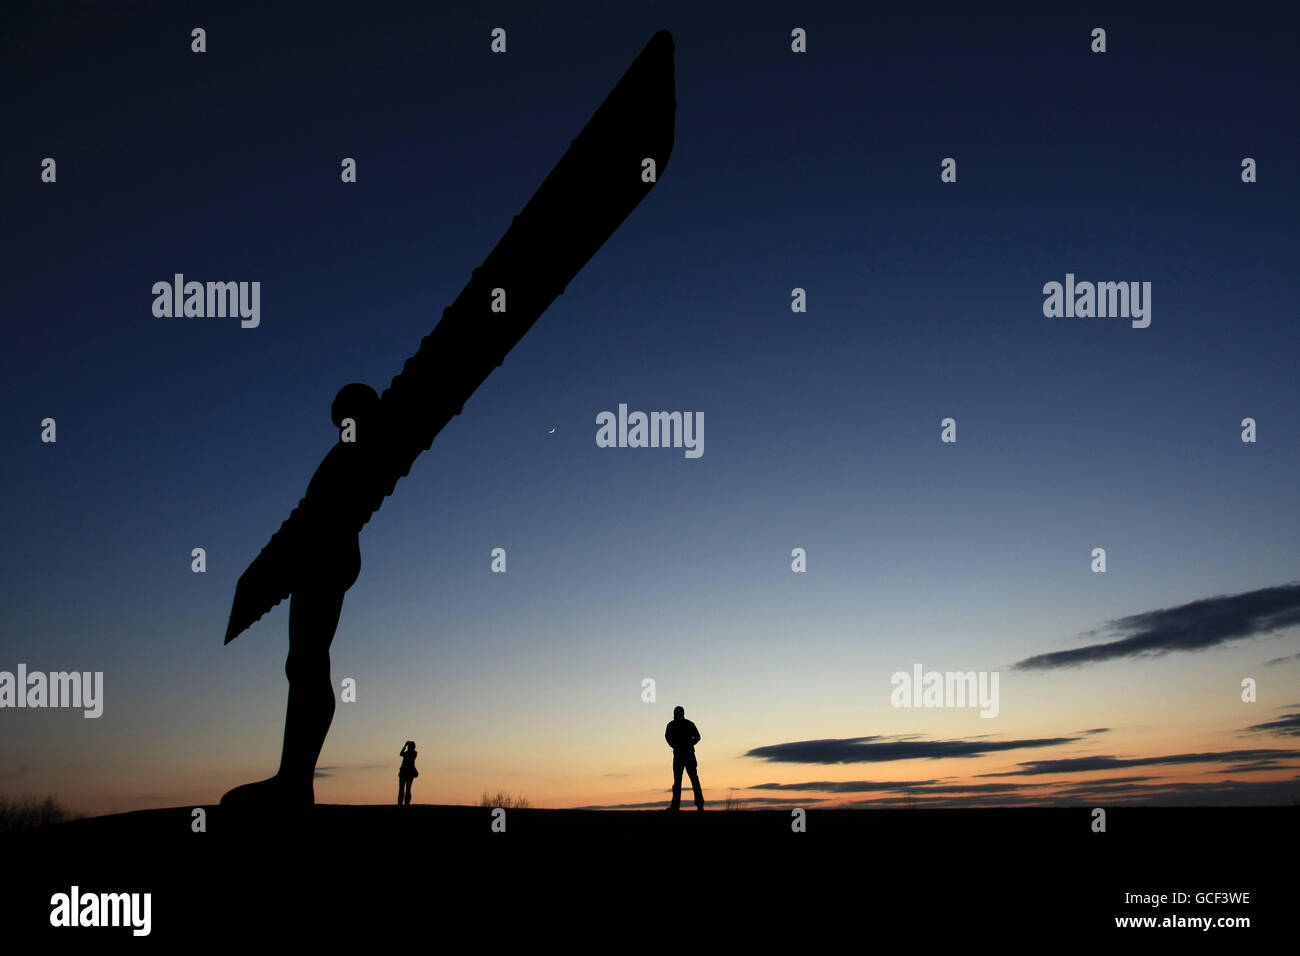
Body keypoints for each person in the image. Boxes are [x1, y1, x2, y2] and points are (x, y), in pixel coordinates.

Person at [665, 705, 703, 811]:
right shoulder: (682, 725)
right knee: (684, 781)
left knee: (690, 780)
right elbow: (667, 737)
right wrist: (677, 745)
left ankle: (697, 805)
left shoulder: (684, 724)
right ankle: (678, 806)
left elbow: (698, 737)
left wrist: (686, 744)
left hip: (685, 755)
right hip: (682, 755)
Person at [398, 740, 418, 806]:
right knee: (406, 789)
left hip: (406, 772)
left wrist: (405, 746)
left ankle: (403, 803)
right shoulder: (414, 753)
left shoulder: (413, 753)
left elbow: (401, 753)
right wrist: (406, 746)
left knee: (404, 789)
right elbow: (401, 754)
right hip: (407, 772)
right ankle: (404, 803)